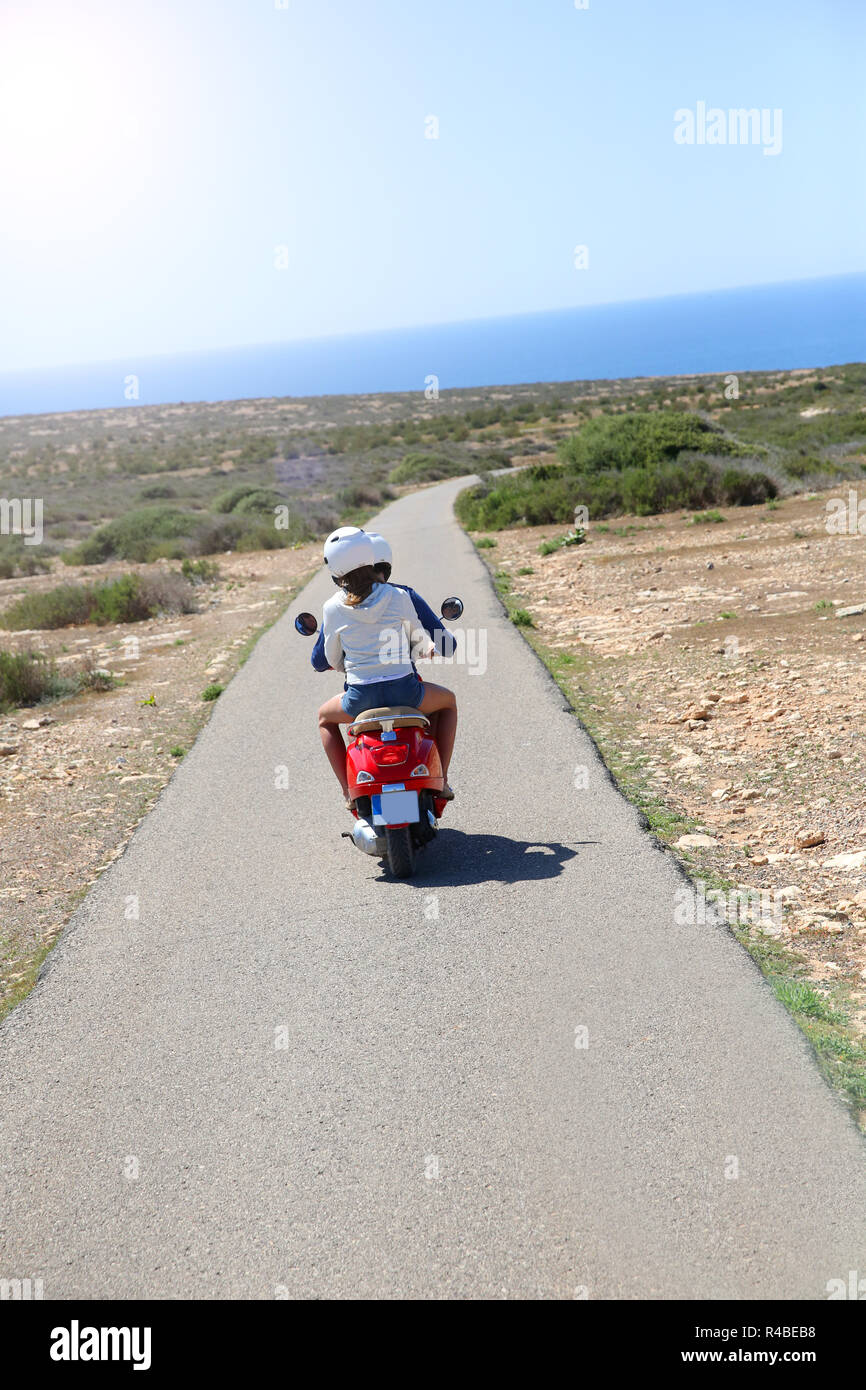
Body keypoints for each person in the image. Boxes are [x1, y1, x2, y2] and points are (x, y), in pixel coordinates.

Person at [316, 528, 457, 805]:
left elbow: (331, 659)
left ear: (333, 567)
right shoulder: (398, 596)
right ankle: (442, 780)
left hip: (358, 699)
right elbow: (417, 639)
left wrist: (349, 664)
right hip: (406, 692)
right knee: (448, 703)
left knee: (324, 718)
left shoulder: (332, 607)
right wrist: (421, 651)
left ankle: (348, 792)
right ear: (371, 555)